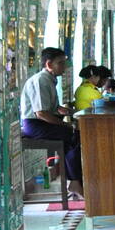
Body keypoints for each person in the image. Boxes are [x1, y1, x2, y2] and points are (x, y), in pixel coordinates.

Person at [20, 47, 83, 199]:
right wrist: (65, 125)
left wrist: (71, 113)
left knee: (72, 137)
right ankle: (74, 181)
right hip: (35, 125)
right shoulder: (41, 80)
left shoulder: (50, 80)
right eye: (60, 63)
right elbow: (41, 113)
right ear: (49, 64)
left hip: (42, 123)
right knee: (72, 135)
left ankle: (74, 181)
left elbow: (54, 109)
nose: (64, 67)